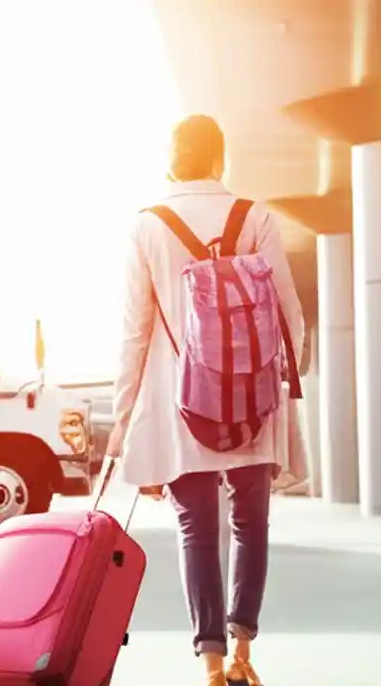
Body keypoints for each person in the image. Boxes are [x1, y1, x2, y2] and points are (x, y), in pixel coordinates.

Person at [106, 114, 304, 686]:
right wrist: (286, 380)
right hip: (253, 398)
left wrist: (124, 423)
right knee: (251, 524)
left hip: (181, 403)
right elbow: (290, 314)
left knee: (196, 528)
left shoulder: (147, 225)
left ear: (171, 160)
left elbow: (134, 334)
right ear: (220, 158)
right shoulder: (255, 215)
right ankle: (244, 652)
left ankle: (211, 665)